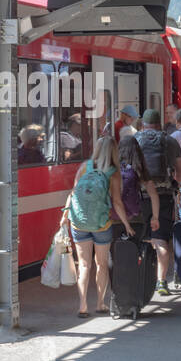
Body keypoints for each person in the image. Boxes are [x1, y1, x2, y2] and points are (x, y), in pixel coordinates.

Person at [60, 136, 134, 318]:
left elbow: (74, 192)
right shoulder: (113, 173)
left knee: (84, 265)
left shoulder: (85, 166)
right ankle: (100, 303)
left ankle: (82, 305)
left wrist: (65, 216)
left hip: (79, 221)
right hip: (101, 224)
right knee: (101, 264)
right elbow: (116, 202)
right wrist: (126, 224)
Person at [135, 108, 181, 294]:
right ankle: (161, 282)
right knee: (161, 240)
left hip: (140, 197)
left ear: (143, 125)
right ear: (159, 124)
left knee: (139, 239)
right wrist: (174, 184)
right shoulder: (169, 140)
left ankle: (138, 279)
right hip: (163, 195)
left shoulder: (135, 140)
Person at [117, 134, 161, 240]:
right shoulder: (139, 169)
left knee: (115, 252)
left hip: (114, 217)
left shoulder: (113, 168)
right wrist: (155, 217)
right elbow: (154, 195)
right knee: (134, 250)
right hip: (135, 217)